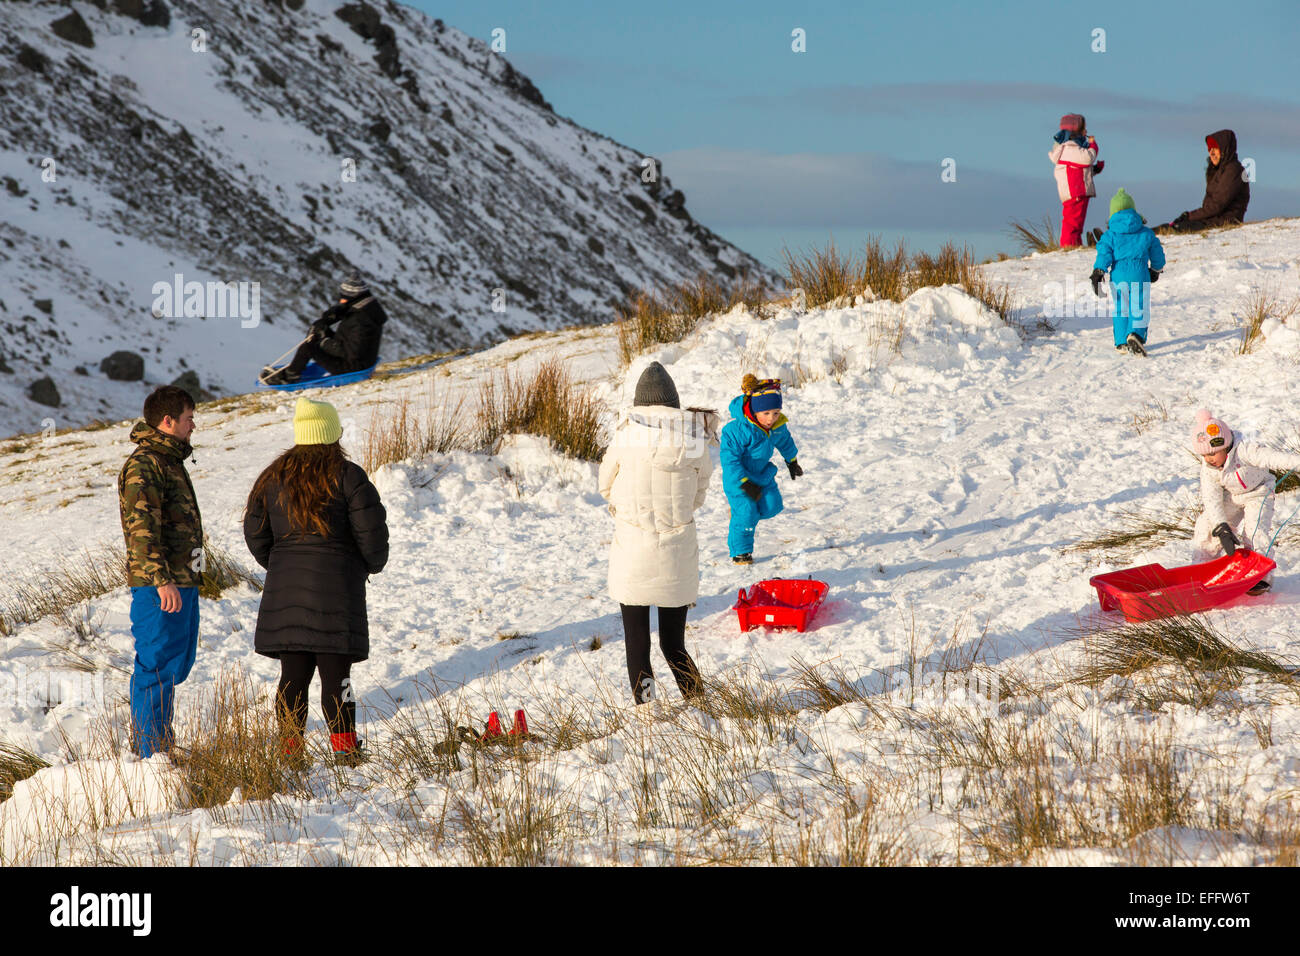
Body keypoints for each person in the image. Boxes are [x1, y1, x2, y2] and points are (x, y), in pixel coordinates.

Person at [243, 397, 389, 765]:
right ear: (332, 433)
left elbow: (255, 534)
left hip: (285, 593)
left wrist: (280, 565)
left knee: (292, 676)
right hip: (337, 593)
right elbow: (371, 534)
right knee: (336, 676)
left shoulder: (272, 476)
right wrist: (367, 565)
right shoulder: (348, 475)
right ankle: (345, 751)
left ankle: (291, 753)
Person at [598, 362, 716, 705]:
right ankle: (697, 704)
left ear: (639, 403)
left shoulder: (623, 438)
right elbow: (699, 495)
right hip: (677, 552)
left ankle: (647, 710)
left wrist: (629, 511)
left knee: (637, 641)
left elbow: (604, 486)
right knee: (673, 643)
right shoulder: (695, 440)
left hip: (632, 553)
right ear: (673, 403)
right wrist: (674, 514)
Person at [117, 385, 204, 758]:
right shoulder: (145, 465)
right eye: (188, 418)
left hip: (182, 581)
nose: (193, 425)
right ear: (167, 421)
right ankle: (153, 754)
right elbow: (142, 528)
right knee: (156, 665)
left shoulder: (168, 461)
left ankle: (159, 745)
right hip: (160, 585)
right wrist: (161, 578)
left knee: (175, 664)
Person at [1190, 409, 1300, 593]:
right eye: (1205, 456)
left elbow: (1273, 458)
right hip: (1232, 496)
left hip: (1258, 493)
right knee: (1206, 525)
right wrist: (1221, 526)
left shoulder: (1245, 450)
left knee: (1255, 532)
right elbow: (1211, 498)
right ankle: (1201, 569)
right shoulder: (1208, 467)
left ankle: (1259, 577)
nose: (1209, 459)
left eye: (1213, 454)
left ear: (1225, 446)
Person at [720, 374, 801, 565]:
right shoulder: (736, 431)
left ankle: (743, 516)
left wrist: (792, 460)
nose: (771, 418)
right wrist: (744, 483)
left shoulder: (776, 426)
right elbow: (729, 461)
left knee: (773, 506)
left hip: (763, 475)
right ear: (754, 411)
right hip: (739, 480)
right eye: (766, 413)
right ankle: (741, 552)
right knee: (746, 513)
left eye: (776, 412)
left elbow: (785, 441)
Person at [261, 272, 387, 385]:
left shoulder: (361, 321)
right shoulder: (366, 308)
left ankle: (289, 377)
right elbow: (342, 312)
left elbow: (352, 354)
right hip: (361, 360)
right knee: (317, 334)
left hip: (353, 367)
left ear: (352, 298)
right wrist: (325, 322)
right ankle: (292, 371)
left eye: (343, 297)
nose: (341, 300)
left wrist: (324, 341)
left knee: (309, 347)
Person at [1089, 188, 1166, 355]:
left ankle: (1121, 341)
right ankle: (1135, 334)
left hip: (1118, 276)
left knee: (1121, 307)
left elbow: (1104, 254)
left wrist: (1098, 271)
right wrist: (1156, 269)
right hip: (1139, 274)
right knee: (1138, 305)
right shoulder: (1145, 232)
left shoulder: (1110, 235)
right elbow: (1157, 251)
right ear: (1133, 210)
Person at [1164, 129, 1250, 232]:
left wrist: (1189, 216)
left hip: (1223, 222)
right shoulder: (1219, 171)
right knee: (1169, 227)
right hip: (1212, 220)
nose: (1211, 153)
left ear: (1225, 149)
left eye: (1215, 148)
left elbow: (1217, 205)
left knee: (1174, 229)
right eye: (1209, 149)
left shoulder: (1233, 171)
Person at [1049, 114, 1103, 248]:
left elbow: (1079, 169)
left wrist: (1094, 170)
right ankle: (1068, 245)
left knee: (1076, 223)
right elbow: (1088, 158)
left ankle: (1074, 245)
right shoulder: (1069, 147)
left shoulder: (1072, 149)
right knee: (1072, 223)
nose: (1086, 132)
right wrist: (1093, 144)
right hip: (1075, 192)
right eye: (1083, 129)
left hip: (1077, 190)